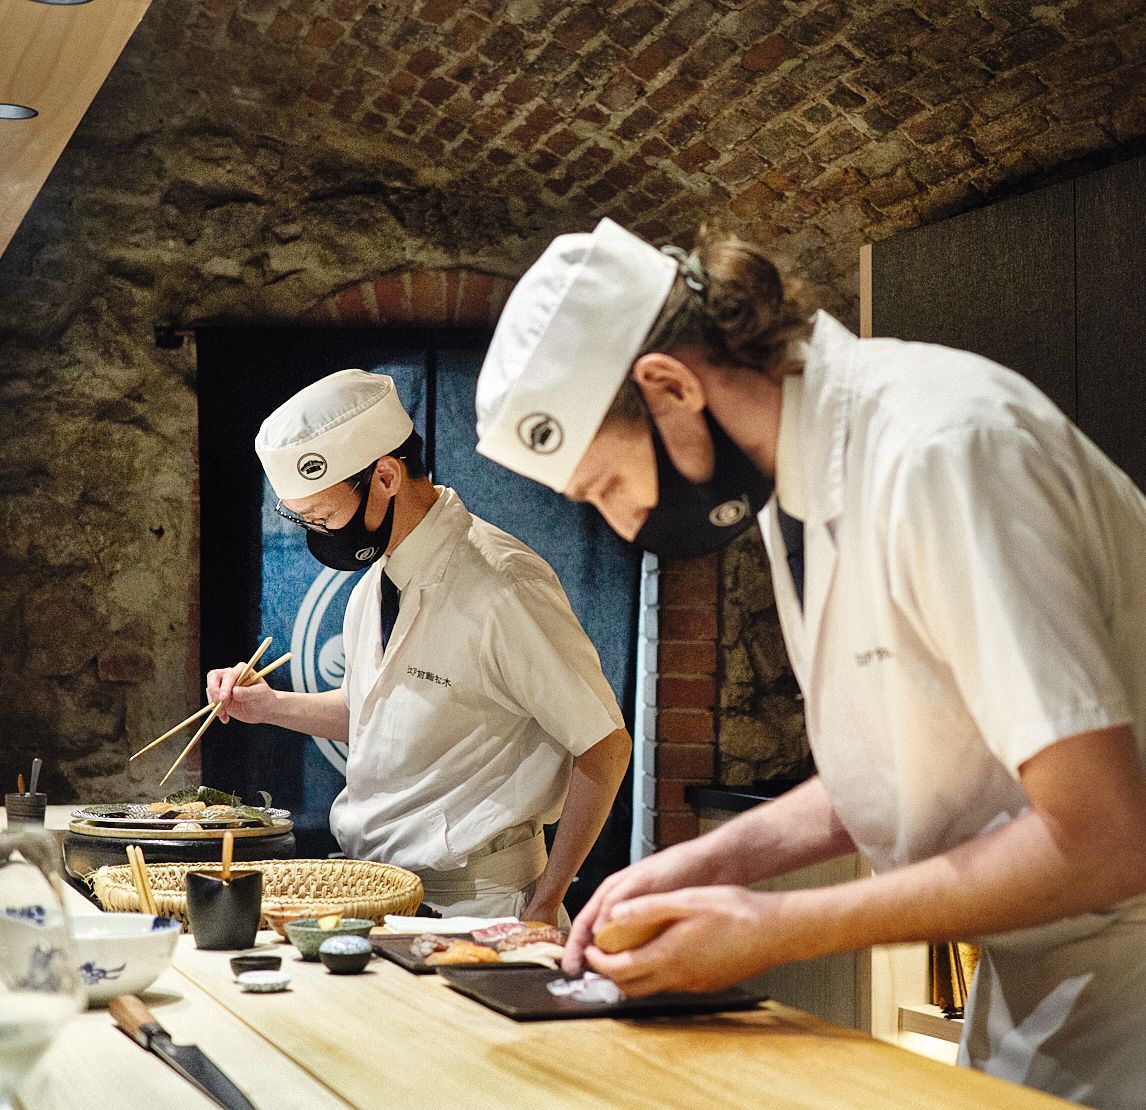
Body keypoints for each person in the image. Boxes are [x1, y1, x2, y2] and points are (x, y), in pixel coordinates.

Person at [472, 217, 1146, 1107]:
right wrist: (706, 865)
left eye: (604, 486)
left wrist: (773, 929)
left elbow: (1106, 834)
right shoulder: (806, 485)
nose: (624, 524)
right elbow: (912, 758)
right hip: (1048, 986)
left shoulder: (939, 450)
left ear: (669, 386)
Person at [207, 369, 631, 924]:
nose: (319, 535)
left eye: (324, 517)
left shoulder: (502, 584)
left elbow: (604, 745)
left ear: (385, 476)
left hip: (479, 905)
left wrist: (547, 902)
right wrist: (268, 707)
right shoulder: (374, 585)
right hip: (378, 895)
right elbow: (376, 716)